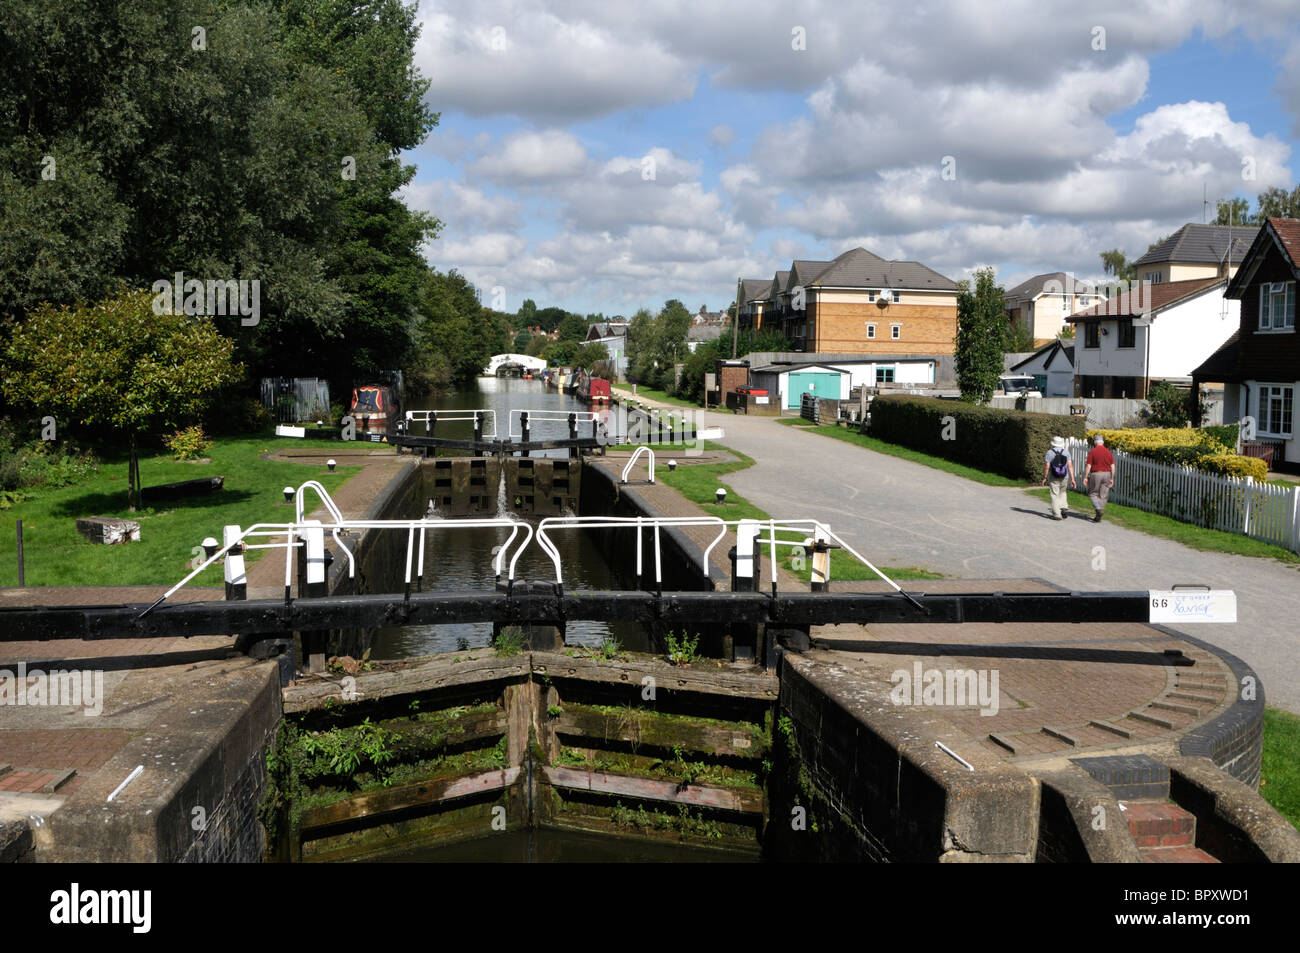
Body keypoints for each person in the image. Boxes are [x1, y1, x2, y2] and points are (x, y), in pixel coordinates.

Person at [1040, 436, 1076, 520]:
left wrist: (1045, 477)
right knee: (1062, 492)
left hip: (1054, 476)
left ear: (1053, 443)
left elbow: (1047, 466)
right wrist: (1073, 479)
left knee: (1054, 494)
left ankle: (1057, 514)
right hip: (1065, 476)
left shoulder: (1049, 452)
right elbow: (1070, 466)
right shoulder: (1066, 452)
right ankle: (1064, 508)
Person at [1083, 434, 1116, 522]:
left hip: (1096, 474)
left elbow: (1088, 465)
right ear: (1103, 442)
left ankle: (1098, 508)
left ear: (1095, 442)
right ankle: (1099, 514)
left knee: (1092, 493)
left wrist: (1085, 477)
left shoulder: (1093, 452)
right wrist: (1112, 478)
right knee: (1103, 495)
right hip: (1107, 474)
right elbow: (1112, 466)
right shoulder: (1108, 452)